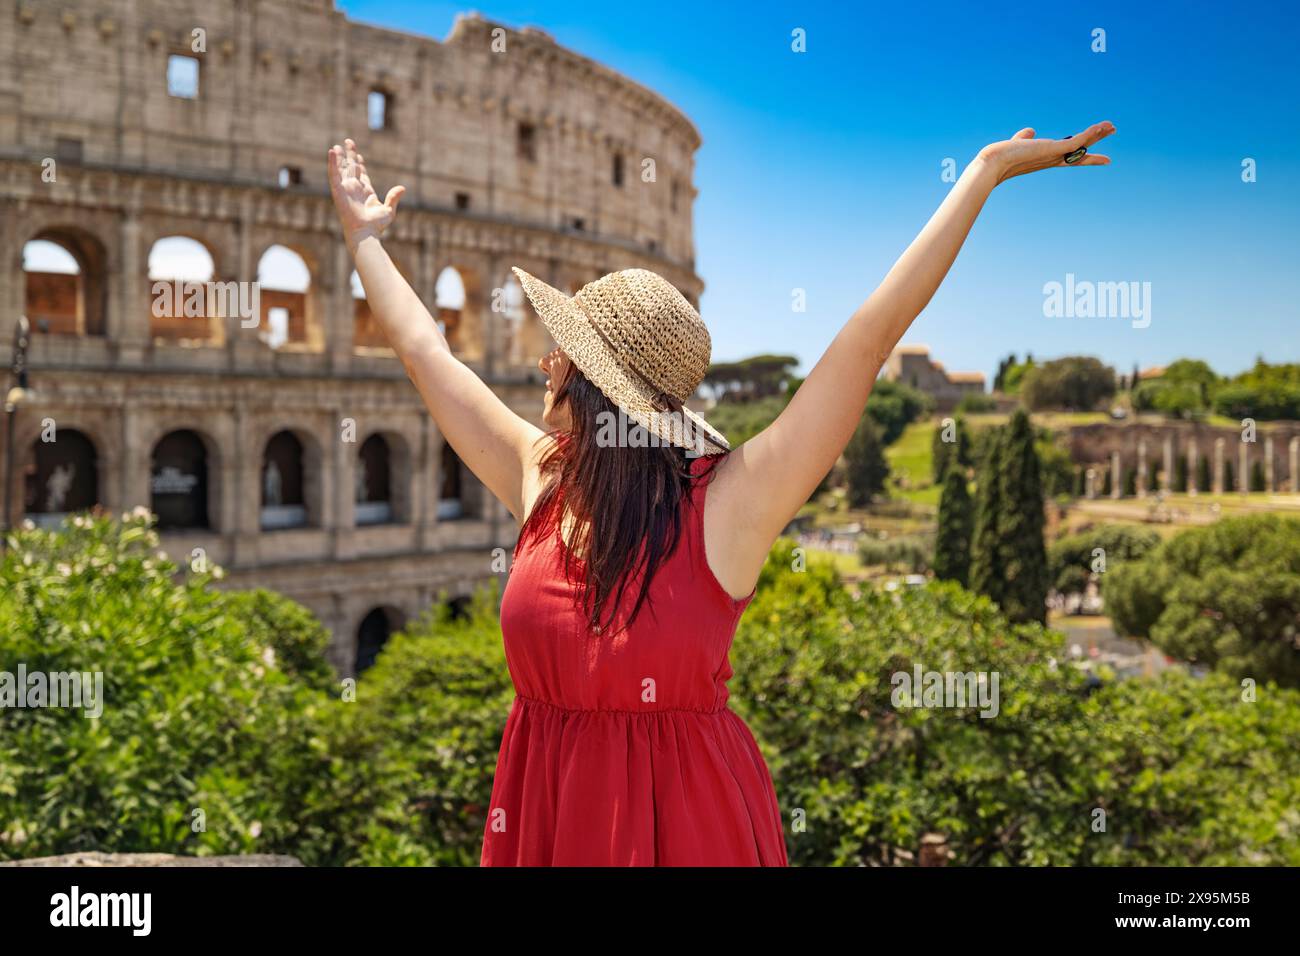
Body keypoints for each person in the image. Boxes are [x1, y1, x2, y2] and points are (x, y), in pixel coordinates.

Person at [326, 122, 1115, 866]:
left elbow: (868, 338)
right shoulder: (540, 473)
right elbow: (425, 351)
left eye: (559, 353)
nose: (543, 367)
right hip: (545, 806)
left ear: (597, 386)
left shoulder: (730, 503)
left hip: (690, 824)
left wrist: (982, 174)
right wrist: (364, 240)